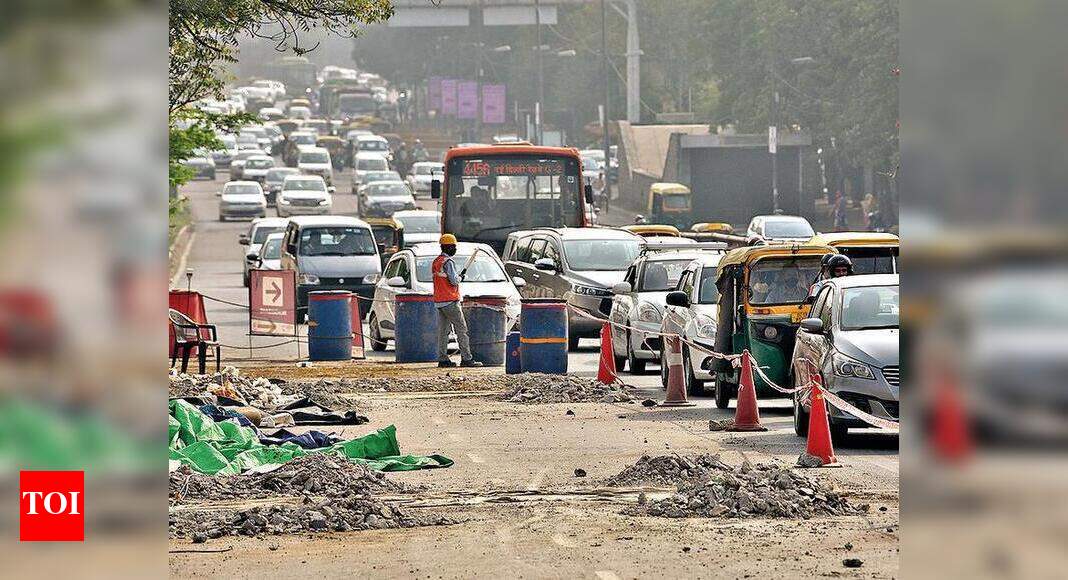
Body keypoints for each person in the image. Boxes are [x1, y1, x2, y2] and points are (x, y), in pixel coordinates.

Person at [432, 234, 482, 368]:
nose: (455, 249)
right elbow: (454, 281)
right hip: (450, 301)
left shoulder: (437, 261)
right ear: (449, 247)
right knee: (462, 330)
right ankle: (467, 358)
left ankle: (443, 359)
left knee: (443, 332)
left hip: (439, 302)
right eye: (454, 247)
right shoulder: (448, 262)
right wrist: (460, 278)